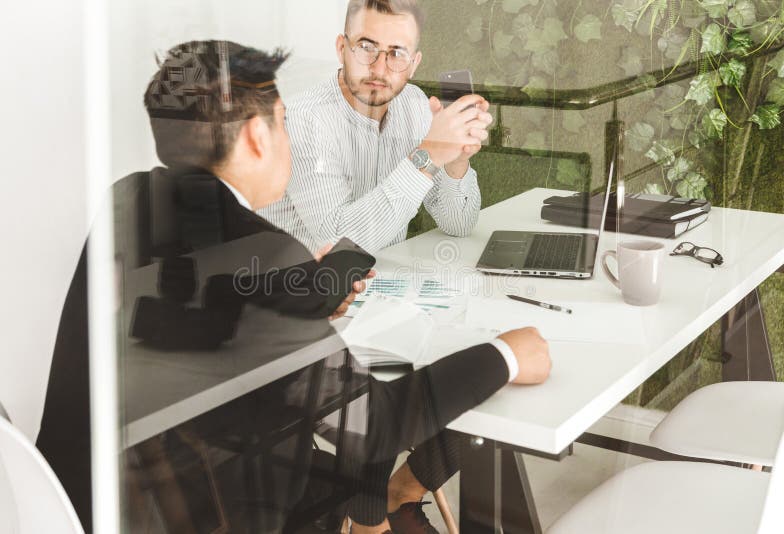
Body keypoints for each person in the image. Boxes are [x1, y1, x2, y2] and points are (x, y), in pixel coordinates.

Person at [36, 40, 550, 534]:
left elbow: (188, 307)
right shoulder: (262, 249)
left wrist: (295, 291)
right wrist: (505, 354)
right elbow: (371, 427)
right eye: (284, 125)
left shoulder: (128, 197)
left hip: (77, 507)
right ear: (258, 137)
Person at [259, 0, 492, 255]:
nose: (379, 69)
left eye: (397, 53)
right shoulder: (303, 120)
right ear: (341, 49)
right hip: (301, 287)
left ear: (413, 64)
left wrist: (455, 161)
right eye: (366, 47)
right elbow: (337, 244)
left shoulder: (414, 104)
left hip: (382, 284)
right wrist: (429, 155)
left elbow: (459, 225)